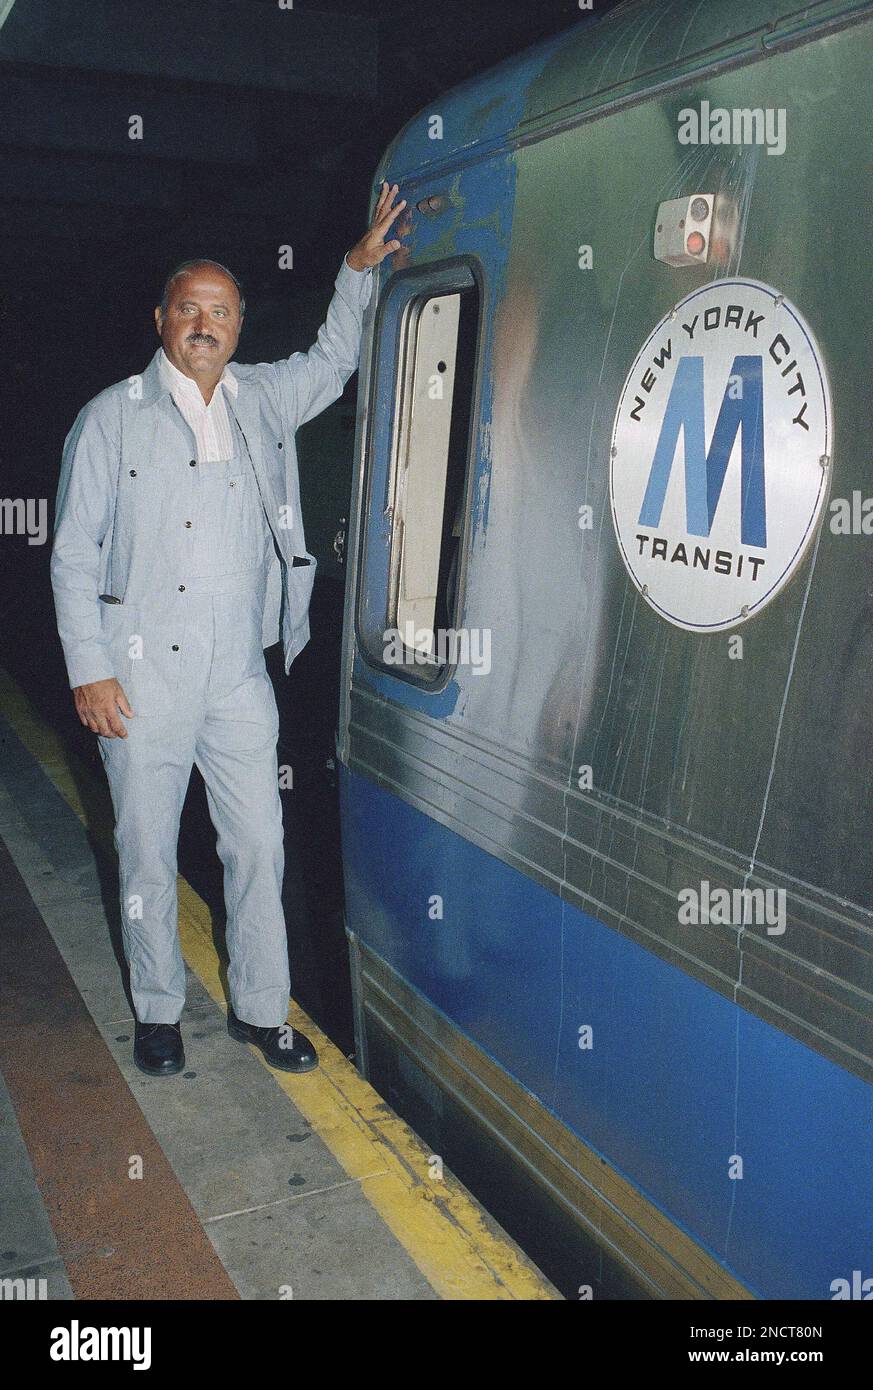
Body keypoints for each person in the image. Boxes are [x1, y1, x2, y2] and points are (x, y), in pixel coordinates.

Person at [50, 182, 406, 1077]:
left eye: (221, 311)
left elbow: (333, 359)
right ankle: (158, 1010)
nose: (204, 324)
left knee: (258, 846)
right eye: (189, 309)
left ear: (240, 325)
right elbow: (72, 558)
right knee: (145, 851)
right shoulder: (108, 419)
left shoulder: (261, 400)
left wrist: (356, 273)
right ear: (162, 318)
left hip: (238, 677)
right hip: (140, 677)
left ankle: (258, 1008)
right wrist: (89, 670)